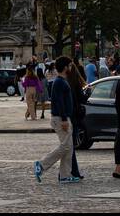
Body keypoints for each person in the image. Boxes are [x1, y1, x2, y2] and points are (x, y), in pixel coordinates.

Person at [34, 56, 79, 185]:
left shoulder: (61, 81)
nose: (71, 68)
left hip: (62, 117)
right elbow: (59, 102)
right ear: (65, 67)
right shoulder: (60, 82)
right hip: (61, 118)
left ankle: (65, 176)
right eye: (70, 66)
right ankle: (41, 165)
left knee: (69, 148)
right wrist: (64, 119)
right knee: (65, 147)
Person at [67, 59, 88, 181]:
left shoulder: (67, 82)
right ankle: (73, 171)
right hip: (73, 117)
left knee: (70, 147)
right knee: (69, 147)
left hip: (69, 116)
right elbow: (82, 99)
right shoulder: (75, 83)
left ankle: (70, 171)